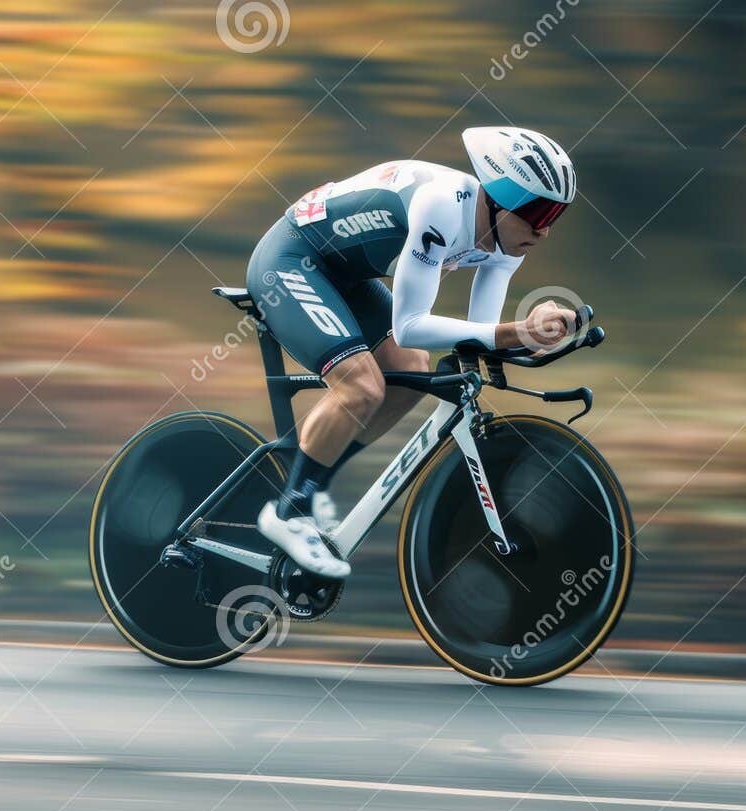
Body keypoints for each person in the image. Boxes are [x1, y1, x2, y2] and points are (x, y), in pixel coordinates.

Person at [245, 127, 579, 578]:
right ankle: (289, 510)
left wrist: (536, 336)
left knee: (409, 373)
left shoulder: (509, 237)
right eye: (537, 212)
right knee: (361, 386)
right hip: (290, 259)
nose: (543, 230)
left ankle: (312, 479)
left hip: (345, 274)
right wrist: (516, 331)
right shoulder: (441, 206)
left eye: (554, 216)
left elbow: (477, 335)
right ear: (499, 196)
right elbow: (410, 325)